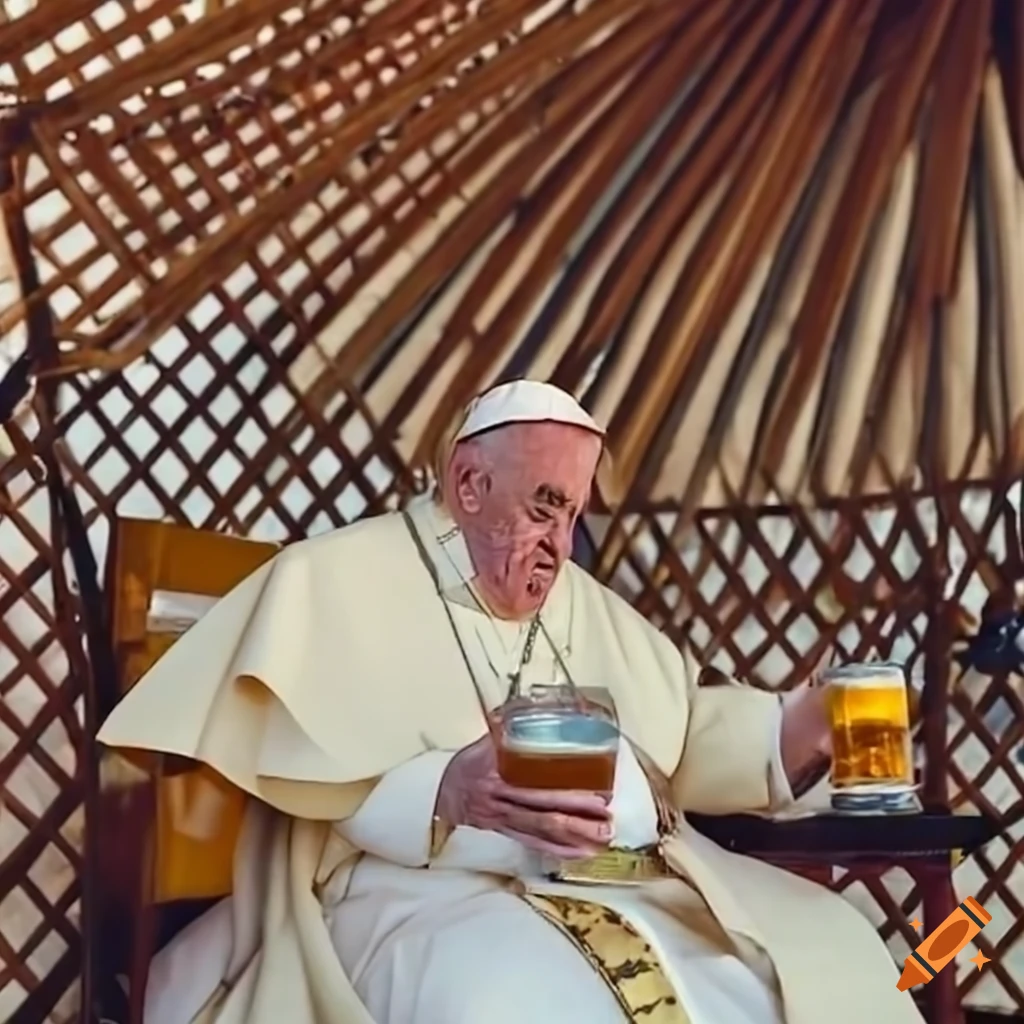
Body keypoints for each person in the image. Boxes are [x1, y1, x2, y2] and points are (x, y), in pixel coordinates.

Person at [98, 380, 925, 1024]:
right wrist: (448, 791)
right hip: (414, 894)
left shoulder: (583, 603)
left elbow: (682, 745)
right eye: (545, 507)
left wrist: (802, 719)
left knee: (811, 964)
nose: (562, 544)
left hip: (622, 889)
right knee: (518, 1001)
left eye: (573, 516)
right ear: (467, 482)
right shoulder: (334, 580)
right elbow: (316, 771)